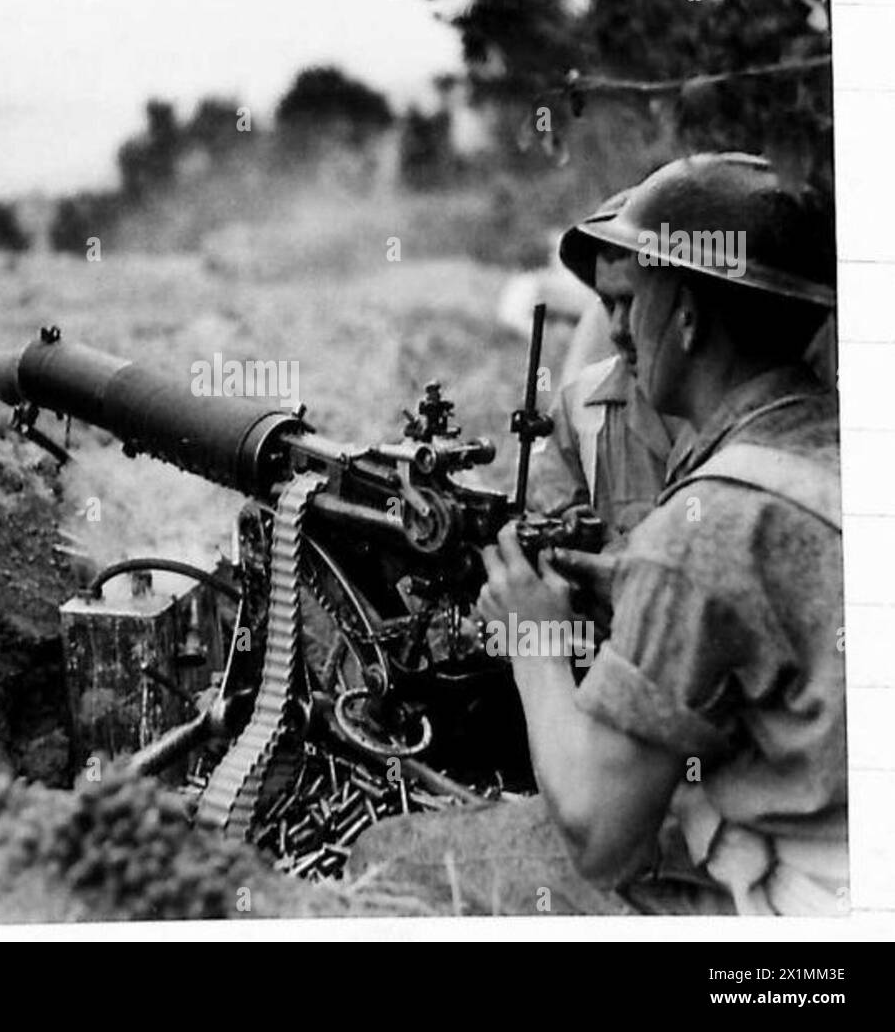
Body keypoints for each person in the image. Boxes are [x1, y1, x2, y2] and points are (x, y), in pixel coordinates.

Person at [351, 153, 844, 916]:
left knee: (383, 856)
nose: (620, 330)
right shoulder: (830, 444)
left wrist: (532, 640)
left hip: (793, 908)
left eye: (637, 298)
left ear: (685, 315)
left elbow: (600, 838)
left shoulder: (705, 526)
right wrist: (641, 589)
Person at [529, 190, 690, 540]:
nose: (616, 329)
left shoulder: (746, 416)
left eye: (633, 302)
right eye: (607, 304)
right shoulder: (581, 409)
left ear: (689, 304)